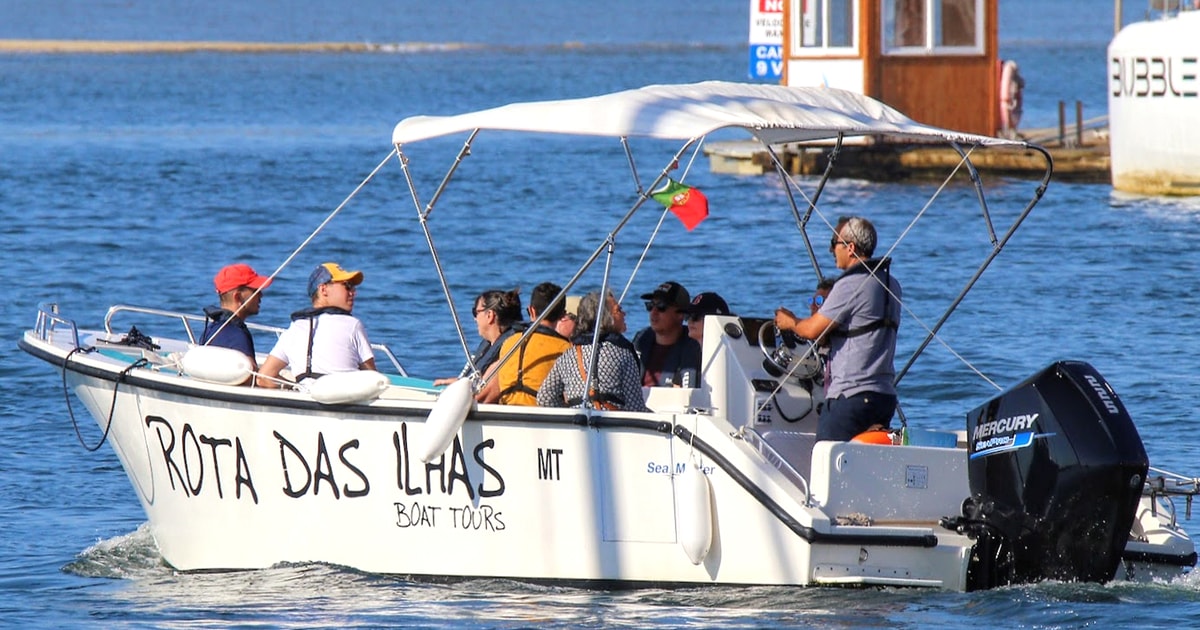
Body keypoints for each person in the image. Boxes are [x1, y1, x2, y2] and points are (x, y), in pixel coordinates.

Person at [774, 217, 901, 441]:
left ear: (850, 248)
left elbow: (811, 330)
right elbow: (861, 328)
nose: (831, 249)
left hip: (851, 397)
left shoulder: (851, 284)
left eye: (835, 243)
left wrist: (790, 321)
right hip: (884, 397)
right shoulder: (891, 284)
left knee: (828, 463)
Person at [257, 262, 376, 388]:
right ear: (323, 289)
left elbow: (263, 377)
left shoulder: (295, 327)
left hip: (305, 396)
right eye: (347, 286)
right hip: (344, 399)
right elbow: (373, 379)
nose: (353, 293)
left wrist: (294, 388)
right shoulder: (352, 325)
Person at [537, 291, 647, 412]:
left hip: (577, 425)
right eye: (618, 310)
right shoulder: (623, 355)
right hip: (612, 426)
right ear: (606, 318)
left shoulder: (568, 356)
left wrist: (569, 412)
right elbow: (636, 408)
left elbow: (544, 397)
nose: (624, 313)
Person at [483, 282, 571, 406]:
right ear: (563, 315)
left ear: (531, 311)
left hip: (507, 412)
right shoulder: (565, 348)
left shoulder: (509, 342)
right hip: (541, 416)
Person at [434, 288, 522, 401]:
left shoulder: (509, 349)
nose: (474, 318)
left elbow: (483, 393)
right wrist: (459, 383)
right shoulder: (491, 345)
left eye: (475, 312)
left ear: (490, 315)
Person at [200, 263, 271, 382]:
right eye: (255, 291)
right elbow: (253, 380)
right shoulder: (237, 336)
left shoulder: (211, 330)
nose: (261, 295)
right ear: (238, 297)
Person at [633, 281, 701, 388]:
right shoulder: (641, 339)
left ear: (681, 314)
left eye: (661, 307)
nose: (653, 312)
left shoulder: (694, 347)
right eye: (650, 306)